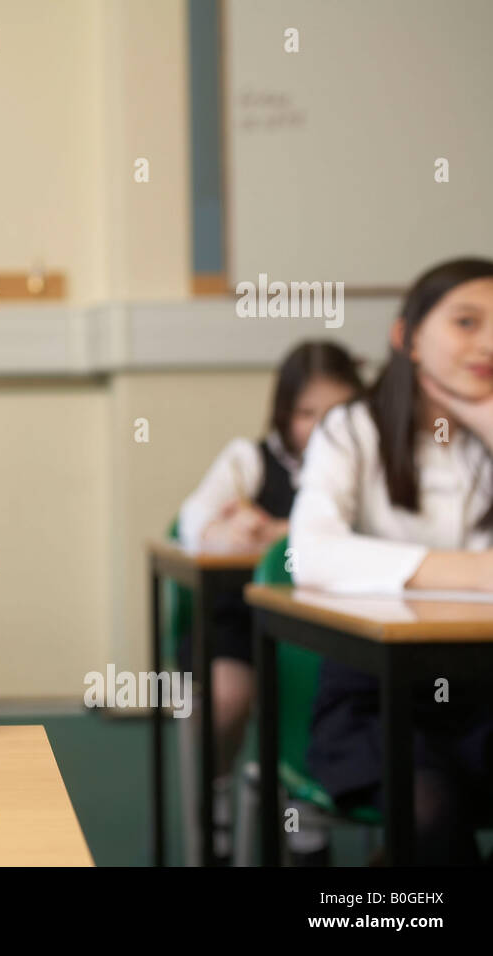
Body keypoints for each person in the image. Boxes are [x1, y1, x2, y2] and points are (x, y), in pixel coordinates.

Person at [291, 257, 493, 864]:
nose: (488, 344)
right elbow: (311, 553)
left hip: (482, 691)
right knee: (428, 810)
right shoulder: (350, 431)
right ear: (405, 337)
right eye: (466, 322)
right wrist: (477, 572)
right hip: (376, 696)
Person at [176, 341, 363, 861]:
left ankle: (302, 802)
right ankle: (216, 796)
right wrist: (231, 530)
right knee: (226, 697)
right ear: (282, 414)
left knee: (324, 692)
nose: (321, 427)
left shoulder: (370, 464)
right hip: (244, 625)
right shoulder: (249, 459)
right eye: (305, 414)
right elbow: (193, 525)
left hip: (334, 633)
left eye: (337, 413)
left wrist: (286, 531)